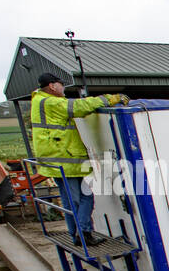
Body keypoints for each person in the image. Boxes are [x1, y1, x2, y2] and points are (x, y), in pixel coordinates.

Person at [29, 73, 127, 243]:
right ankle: (84, 233)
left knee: (70, 201)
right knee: (84, 197)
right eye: (61, 84)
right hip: (65, 160)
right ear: (52, 86)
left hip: (56, 160)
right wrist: (111, 98)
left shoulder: (38, 100)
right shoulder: (51, 102)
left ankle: (76, 234)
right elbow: (80, 107)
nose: (64, 88)